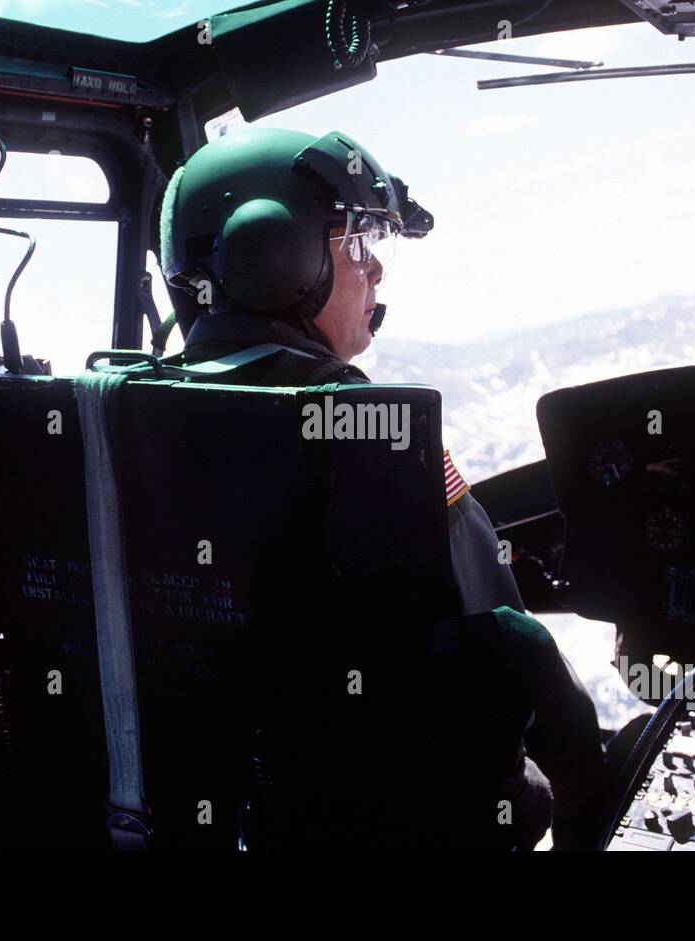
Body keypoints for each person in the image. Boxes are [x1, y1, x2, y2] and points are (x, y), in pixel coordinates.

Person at [157, 127, 606, 849]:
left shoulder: (119, 414)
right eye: (357, 244)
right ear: (281, 256)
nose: (377, 273)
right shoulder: (376, 435)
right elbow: (506, 630)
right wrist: (588, 776)